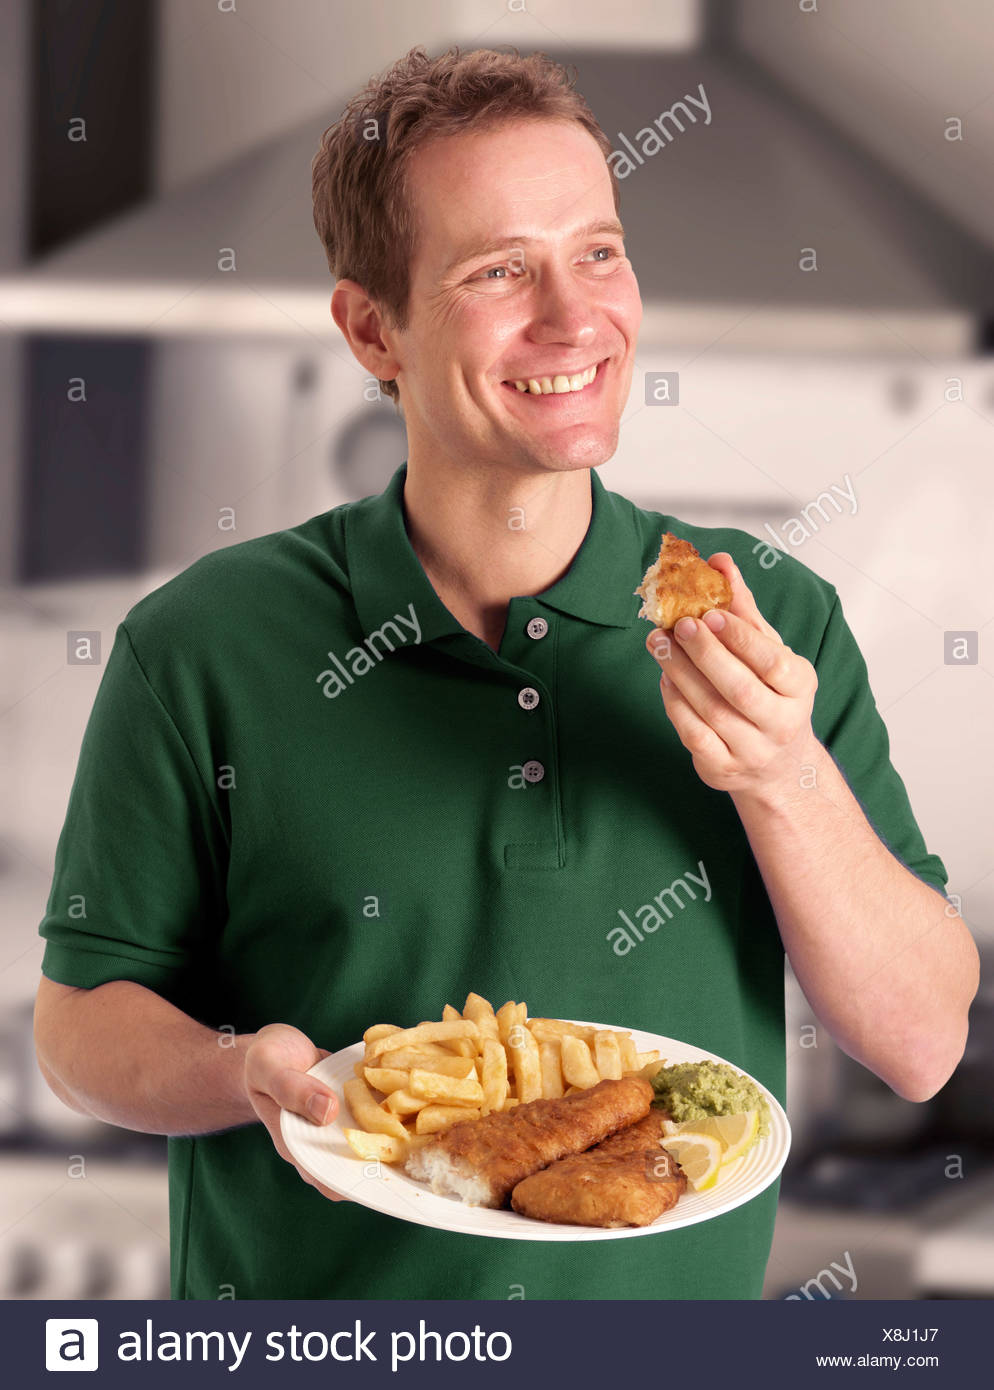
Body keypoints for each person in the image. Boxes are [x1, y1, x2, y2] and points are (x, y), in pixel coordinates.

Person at [34, 45, 978, 1301]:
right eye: (498, 271)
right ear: (373, 326)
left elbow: (919, 1045)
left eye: (598, 250)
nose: (574, 318)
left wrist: (781, 772)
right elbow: (80, 1023)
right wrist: (238, 1070)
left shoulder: (766, 618)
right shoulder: (202, 642)